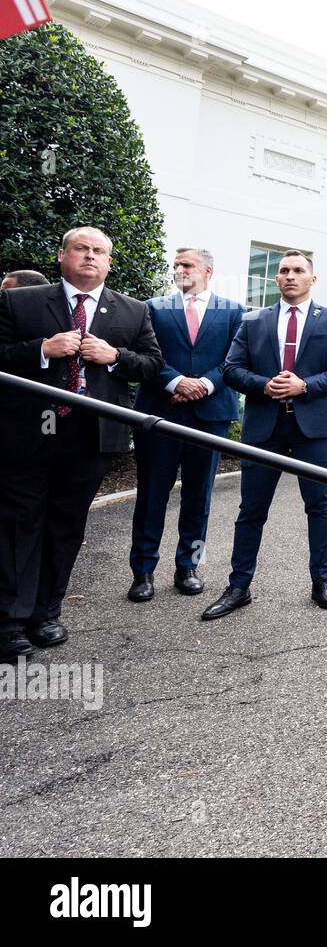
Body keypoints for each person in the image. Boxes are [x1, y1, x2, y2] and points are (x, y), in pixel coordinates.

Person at [0, 227, 163, 661]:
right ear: (62, 255)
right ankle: (10, 621)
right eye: (81, 249)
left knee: (67, 524)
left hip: (92, 435)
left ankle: (46, 614)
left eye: (99, 252)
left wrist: (115, 357)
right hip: (30, 432)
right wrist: (41, 349)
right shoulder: (21, 301)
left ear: (109, 262)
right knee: (21, 523)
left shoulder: (133, 311)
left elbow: (152, 365)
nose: (90, 257)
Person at [201, 251, 327, 621]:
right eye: (283, 271)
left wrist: (305, 385)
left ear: (312, 279)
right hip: (263, 427)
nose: (290, 276)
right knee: (251, 510)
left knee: (319, 506)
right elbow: (232, 369)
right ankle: (239, 586)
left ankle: (322, 581)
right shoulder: (253, 321)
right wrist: (265, 386)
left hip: (313, 430)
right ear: (276, 279)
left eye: (298, 270)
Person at [128, 248, 246, 602]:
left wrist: (204, 385)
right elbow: (146, 353)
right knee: (152, 493)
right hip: (159, 412)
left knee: (199, 496)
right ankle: (143, 571)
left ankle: (189, 567)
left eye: (187, 265)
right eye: (176, 265)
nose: (179, 270)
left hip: (210, 416)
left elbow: (233, 359)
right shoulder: (153, 308)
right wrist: (176, 381)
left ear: (208, 270)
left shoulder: (235, 312)